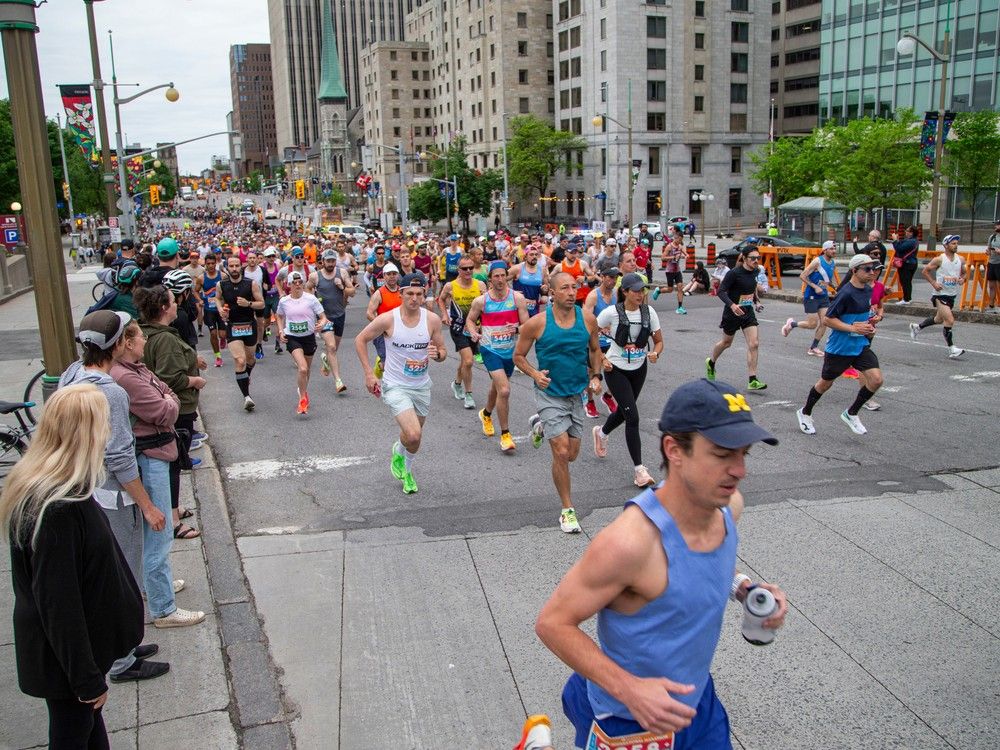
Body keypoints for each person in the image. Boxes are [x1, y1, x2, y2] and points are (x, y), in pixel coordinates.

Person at [536, 378, 786, 749]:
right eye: (722, 454)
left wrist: (746, 589)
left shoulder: (728, 508)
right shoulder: (631, 543)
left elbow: (699, 565)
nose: (739, 470)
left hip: (696, 702)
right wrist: (631, 690)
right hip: (630, 719)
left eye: (743, 453)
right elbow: (552, 623)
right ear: (674, 450)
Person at [2, 385, 147, 750]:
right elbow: (58, 603)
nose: (110, 432)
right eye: (105, 425)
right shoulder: (58, 507)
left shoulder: (61, 488)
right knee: (71, 736)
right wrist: (86, 680)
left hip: (75, 658)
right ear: (88, 433)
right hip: (68, 664)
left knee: (88, 734)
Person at [111, 321, 206, 629]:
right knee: (159, 530)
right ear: (127, 342)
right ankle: (163, 608)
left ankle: (151, 588)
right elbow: (165, 409)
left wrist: (167, 397)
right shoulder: (125, 375)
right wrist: (168, 399)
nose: (145, 341)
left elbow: (164, 391)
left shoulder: (134, 369)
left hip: (154, 452)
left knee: (151, 530)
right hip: (151, 456)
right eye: (140, 337)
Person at [513, 272, 603, 534]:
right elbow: (518, 356)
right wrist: (535, 374)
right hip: (549, 393)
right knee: (561, 451)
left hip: (576, 393)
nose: (571, 292)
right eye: (564, 288)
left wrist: (596, 376)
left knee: (572, 454)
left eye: (574, 287)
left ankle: (540, 426)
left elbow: (595, 350)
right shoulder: (537, 323)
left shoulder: (587, 319)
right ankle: (567, 510)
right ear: (552, 292)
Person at [354, 272, 447, 495]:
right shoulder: (388, 319)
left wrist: (438, 355)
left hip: (421, 386)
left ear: (424, 295)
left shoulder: (432, 320)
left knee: (411, 438)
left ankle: (399, 449)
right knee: (414, 434)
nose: (414, 298)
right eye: (409, 294)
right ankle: (407, 472)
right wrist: (369, 373)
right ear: (402, 294)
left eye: (419, 294)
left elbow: (442, 351)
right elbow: (360, 339)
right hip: (395, 385)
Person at [135, 286, 206, 539]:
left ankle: (172, 506)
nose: (177, 305)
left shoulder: (151, 333)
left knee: (171, 465)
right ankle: (173, 519)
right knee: (174, 464)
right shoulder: (164, 338)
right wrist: (194, 381)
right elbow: (169, 378)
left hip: (167, 411)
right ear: (165, 308)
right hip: (177, 411)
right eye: (173, 302)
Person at [796, 254, 885, 436]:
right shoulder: (845, 293)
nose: (872, 273)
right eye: (867, 269)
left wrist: (869, 326)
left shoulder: (868, 290)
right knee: (824, 385)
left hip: (859, 345)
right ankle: (805, 413)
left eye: (874, 269)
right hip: (839, 348)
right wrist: (853, 327)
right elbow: (828, 320)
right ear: (854, 271)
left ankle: (851, 413)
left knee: (876, 380)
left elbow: (861, 318)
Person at [592, 272, 664, 488]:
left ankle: (601, 432)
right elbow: (591, 336)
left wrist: (655, 353)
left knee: (625, 411)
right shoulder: (611, 313)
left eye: (642, 290)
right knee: (632, 417)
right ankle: (639, 470)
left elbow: (659, 341)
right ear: (624, 292)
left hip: (639, 368)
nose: (640, 294)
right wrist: (602, 358)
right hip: (615, 369)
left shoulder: (649, 312)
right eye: (635, 290)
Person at [465, 261, 531, 453]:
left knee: (497, 387)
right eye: (496, 276)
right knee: (504, 390)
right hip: (489, 349)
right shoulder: (482, 301)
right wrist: (473, 332)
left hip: (509, 350)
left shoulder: (517, 298)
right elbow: (470, 319)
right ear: (490, 278)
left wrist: (518, 328)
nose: (500, 279)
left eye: (503, 275)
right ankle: (506, 435)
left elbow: (526, 324)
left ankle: (486, 414)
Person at [706, 247, 767, 390]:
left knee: (754, 344)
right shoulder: (734, 273)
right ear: (745, 258)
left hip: (747, 311)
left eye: (758, 258)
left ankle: (752, 379)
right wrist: (732, 305)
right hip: (732, 312)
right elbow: (721, 291)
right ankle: (711, 362)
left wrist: (756, 301)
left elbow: (751, 289)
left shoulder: (756, 271)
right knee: (726, 343)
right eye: (753, 258)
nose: (756, 261)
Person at [277, 270, 331, 414]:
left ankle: (303, 390)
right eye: (294, 283)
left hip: (308, 337)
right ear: (288, 285)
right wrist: (281, 331)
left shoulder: (311, 299)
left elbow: (323, 316)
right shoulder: (284, 301)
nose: (298, 285)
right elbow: (279, 316)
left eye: (300, 282)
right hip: (293, 338)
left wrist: (322, 323)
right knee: (302, 368)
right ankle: (302, 399)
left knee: (307, 369)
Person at [437, 255, 486, 409]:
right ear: (458, 270)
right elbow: (441, 299)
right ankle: (469, 395)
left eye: (471, 267)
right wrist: (444, 314)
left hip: (474, 328)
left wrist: (485, 325)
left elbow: (486, 306)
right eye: (464, 268)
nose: (468, 271)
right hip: (458, 327)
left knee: (466, 360)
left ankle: (457, 383)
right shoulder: (450, 286)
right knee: (469, 361)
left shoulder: (480, 285)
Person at [219, 255, 265, 411]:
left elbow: (261, 304)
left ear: (241, 266)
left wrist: (248, 303)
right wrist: (221, 310)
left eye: (237, 266)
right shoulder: (222, 284)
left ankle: (246, 375)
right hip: (233, 326)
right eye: (231, 266)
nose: (234, 269)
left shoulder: (250, 284)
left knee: (250, 360)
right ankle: (247, 397)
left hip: (249, 326)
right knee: (240, 360)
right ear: (227, 267)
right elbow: (218, 299)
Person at [911, 234, 966, 359]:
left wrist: (962, 279)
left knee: (939, 319)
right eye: (953, 243)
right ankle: (952, 349)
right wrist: (934, 283)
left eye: (957, 243)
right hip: (940, 295)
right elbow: (925, 271)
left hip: (952, 295)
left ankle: (917, 327)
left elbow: (964, 273)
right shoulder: (939, 259)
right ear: (946, 245)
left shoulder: (961, 259)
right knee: (950, 320)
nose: (956, 245)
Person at [308, 248, 355, 392]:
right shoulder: (315, 276)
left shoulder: (342, 273)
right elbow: (307, 289)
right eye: (328, 261)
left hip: (340, 314)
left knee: (334, 348)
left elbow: (352, 291)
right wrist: (314, 301)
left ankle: (326, 361)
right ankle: (338, 381)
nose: (330, 263)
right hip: (324, 317)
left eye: (333, 261)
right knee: (332, 347)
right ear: (323, 262)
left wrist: (342, 287)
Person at [781, 239, 837, 356]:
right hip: (811, 295)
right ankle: (792, 325)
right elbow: (802, 276)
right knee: (812, 324)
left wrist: (833, 287)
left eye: (834, 248)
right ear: (825, 250)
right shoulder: (817, 261)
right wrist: (815, 287)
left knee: (825, 322)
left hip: (823, 296)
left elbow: (826, 279)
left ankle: (813, 347)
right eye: (831, 248)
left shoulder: (832, 263)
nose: (834, 251)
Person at [196, 252, 226, 366]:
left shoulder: (223, 276)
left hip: (221, 310)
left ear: (216, 263)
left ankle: (223, 339)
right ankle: (218, 357)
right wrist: (199, 300)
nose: (211, 266)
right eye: (208, 263)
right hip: (209, 311)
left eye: (213, 263)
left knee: (222, 334)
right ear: (205, 264)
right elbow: (195, 291)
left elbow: (228, 290)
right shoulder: (201, 278)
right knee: (213, 334)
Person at [653, 235, 687, 314]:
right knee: (670, 289)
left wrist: (686, 256)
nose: (679, 242)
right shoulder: (669, 247)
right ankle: (658, 291)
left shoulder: (680, 247)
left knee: (680, 287)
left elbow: (685, 253)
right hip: (669, 271)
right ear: (675, 238)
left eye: (681, 240)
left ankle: (680, 307)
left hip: (677, 271)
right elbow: (662, 258)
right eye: (679, 240)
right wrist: (673, 257)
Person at [890, 225, 919, 304]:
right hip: (911, 263)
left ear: (911, 233)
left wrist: (895, 240)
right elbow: (901, 246)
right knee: (907, 282)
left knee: (905, 281)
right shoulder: (913, 241)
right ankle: (907, 298)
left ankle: (906, 299)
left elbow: (899, 248)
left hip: (907, 264)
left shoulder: (911, 241)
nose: (905, 232)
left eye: (907, 231)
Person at [986, 219, 1000, 311]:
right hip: (991, 262)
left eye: (998, 224)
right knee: (991, 285)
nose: (996, 226)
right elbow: (988, 250)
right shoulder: (992, 237)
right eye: (996, 224)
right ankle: (991, 305)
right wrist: (988, 251)